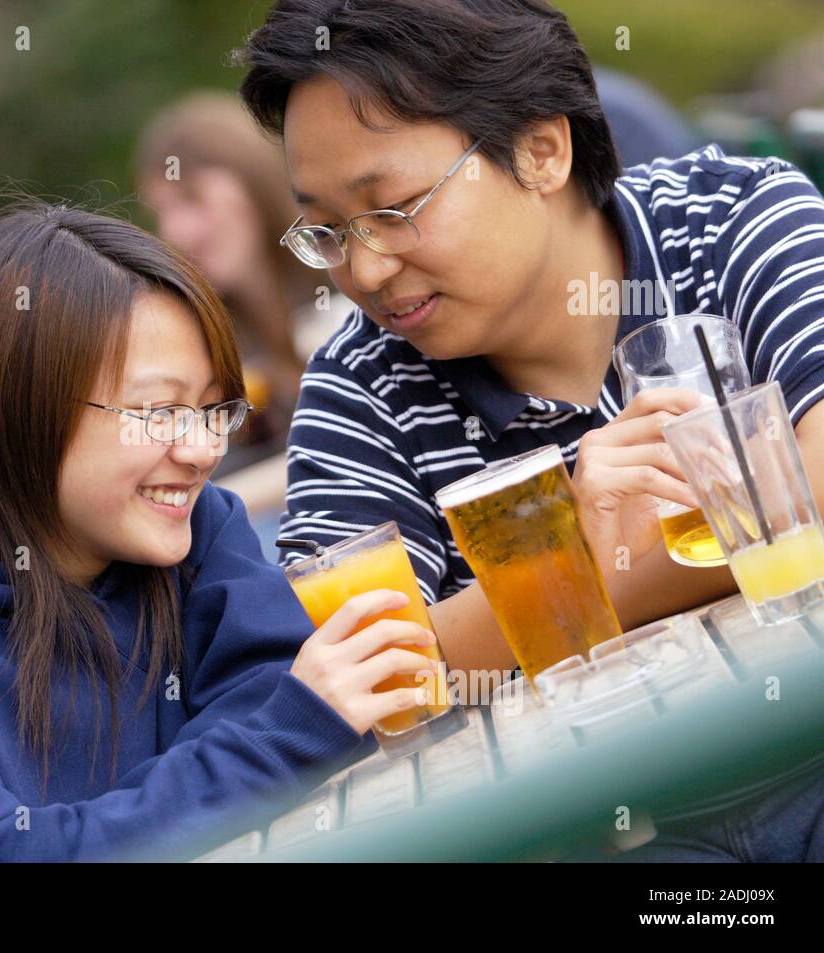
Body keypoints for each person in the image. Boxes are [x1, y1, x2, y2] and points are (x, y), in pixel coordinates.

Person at [235, 0, 824, 861]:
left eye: (392, 208)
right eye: (326, 231)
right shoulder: (360, 386)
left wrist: (565, 585)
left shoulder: (734, 219)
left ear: (542, 149)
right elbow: (348, 682)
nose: (362, 268)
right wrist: (580, 553)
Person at [0, 198, 445, 861]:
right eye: (159, 411)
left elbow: (275, 688)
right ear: (20, 411)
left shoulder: (199, 533)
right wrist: (277, 744)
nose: (200, 450)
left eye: (211, 407)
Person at [136, 92, 351, 464]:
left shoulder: (349, 275)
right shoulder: (207, 345)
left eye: (192, 198)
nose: (176, 232)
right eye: (162, 213)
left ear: (251, 182)